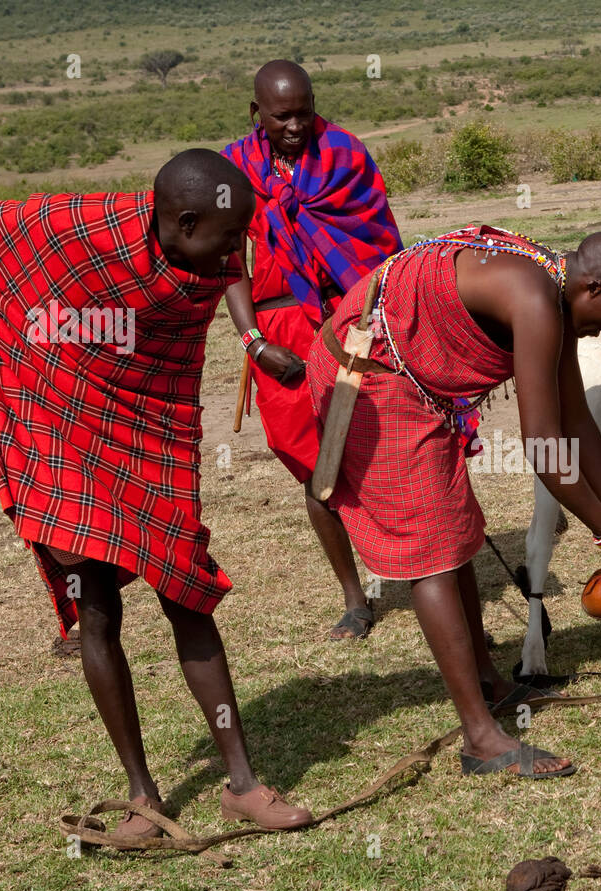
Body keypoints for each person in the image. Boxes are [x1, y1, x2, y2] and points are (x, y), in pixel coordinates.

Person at [0, 150, 313, 833]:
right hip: (67, 421)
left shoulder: (213, 244)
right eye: (226, 238)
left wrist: (254, 337)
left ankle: (242, 782)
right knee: (98, 606)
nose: (237, 254)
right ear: (179, 222)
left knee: (187, 590)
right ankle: (143, 794)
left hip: (151, 423)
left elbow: (235, 262)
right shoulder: (90, 227)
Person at [306, 226, 601, 778]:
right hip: (368, 375)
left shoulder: (557, 289)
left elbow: (577, 423)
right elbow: (547, 449)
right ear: (592, 287)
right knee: (432, 553)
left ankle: (489, 684)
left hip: (408, 380)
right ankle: (480, 738)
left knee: (456, 533)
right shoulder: (536, 299)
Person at [223, 59, 403, 640]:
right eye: (281, 117)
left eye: (304, 112)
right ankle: (355, 598)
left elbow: (379, 247)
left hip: (351, 322)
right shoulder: (235, 170)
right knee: (313, 467)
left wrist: (370, 324)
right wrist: (255, 343)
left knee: (383, 453)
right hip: (278, 336)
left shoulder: (346, 157)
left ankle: (416, 565)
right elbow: (230, 266)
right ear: (257, 114)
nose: (296, 126)